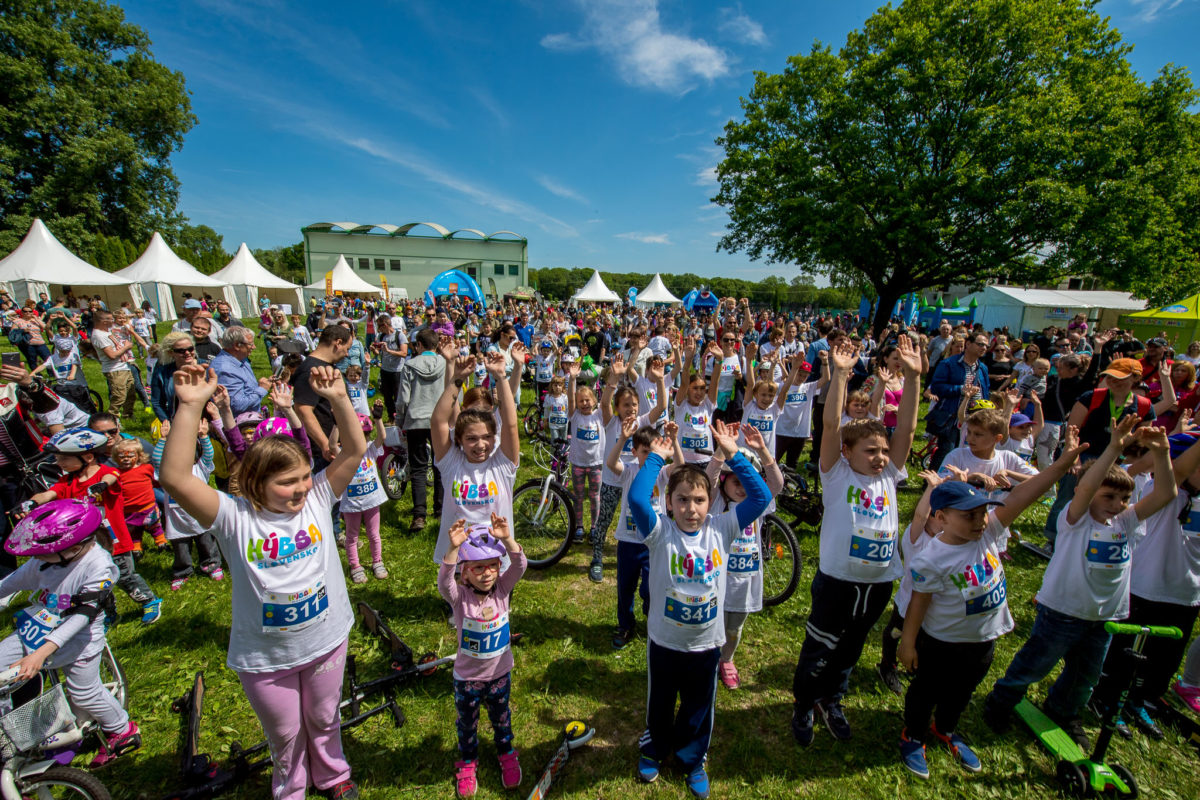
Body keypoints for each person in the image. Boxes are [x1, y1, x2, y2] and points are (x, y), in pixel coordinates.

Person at [158, 362, 366, 800]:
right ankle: (290, 788)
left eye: (305, 477)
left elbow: (353, 452)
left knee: (325, 717)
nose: (301, 489)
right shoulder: (234, 520)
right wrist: (190, 406)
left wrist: (341, 399)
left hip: (326, 640)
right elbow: (175, 478)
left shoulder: (318, 500)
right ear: (255, 483)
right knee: (286, 733)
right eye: (287, 482)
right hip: (266, 658)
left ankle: (332, 776)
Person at [896, 429, 1089, 778]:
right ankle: (914, 734)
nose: (980, 520)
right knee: (926, 690)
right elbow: (919, 603)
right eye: (968, 516)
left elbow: (1027, 494)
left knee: (962, 690)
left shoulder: (989, 533)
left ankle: (946, 728)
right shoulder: (931, 558)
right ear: (940, 518)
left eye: (983, 512)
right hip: (941, 642)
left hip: (983, 639)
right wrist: (908, 642)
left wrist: (1061, 465)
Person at [982, 417, 1176, 752]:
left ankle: (1064, 710)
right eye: (1110, 496)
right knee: (1035, 663)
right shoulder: (1075, 519)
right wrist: (1114, 446)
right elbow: (1086, 488)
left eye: (1124, 498)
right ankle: (1003, 700)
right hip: (1062, 611)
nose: (1117, 504)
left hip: (1105, 618)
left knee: (1085, 675)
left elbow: (1166, 493)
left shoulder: (1125, 521)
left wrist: (1163, 453)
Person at [791, 336, 922, 746]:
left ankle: (833, 699)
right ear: (847, 453)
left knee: (850, 648)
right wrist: (843, 374)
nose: (881, 457)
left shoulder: (889, 475)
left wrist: (914, 379)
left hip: (880, 583)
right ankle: (804, 703)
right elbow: (830, 426)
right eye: (871, 450)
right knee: (820, 646)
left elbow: (908, 428)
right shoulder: (836, 475)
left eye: (883, 450)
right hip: (838, 581)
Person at [628, 420, 769, 798]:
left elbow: (760, 497)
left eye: (699, 500)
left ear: (712, 502)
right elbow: (638, 500)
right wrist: (656, 459)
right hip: (665, 641)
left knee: (698, 706)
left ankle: (693, 758)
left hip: (707, 643)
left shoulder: (723, 528)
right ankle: (654, 747)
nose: (691, 509)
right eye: (683, 500)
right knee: (660, 703)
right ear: (669, 502)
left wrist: (733, 454)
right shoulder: (659, 533)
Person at [0, 499, 143, 766]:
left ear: (74, 548)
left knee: (84, 692)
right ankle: (12, 739)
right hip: (39, 626)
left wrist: (40, 654)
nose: (35, 558)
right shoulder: (45, 561)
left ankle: (122, 730)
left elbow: (83, 616)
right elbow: (9, 584)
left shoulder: (98, 566)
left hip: (80, 637)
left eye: (41, 552)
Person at [438, 516, 526, 798]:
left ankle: (506, 751)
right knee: (467, 723)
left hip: (500, 675)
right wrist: (453, 549)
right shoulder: (460, 597)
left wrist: (507, 539)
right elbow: (443, 583)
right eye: (478, 568)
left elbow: (521, 565)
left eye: (492, 566)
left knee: (502, 718)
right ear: (464, 574)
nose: (487, 573)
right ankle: (467, 760)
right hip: (468, 679)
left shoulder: (502, 589)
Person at [706, 425, 783, 689]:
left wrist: (762, 451)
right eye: (736, 482)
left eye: (745, 483)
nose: (742, 489)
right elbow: (708, 479)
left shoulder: (756, 506)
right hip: (716, 581)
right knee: (711, 624)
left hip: (744, 581)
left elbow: (776, 484)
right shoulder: (714, 502)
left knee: (733, 629)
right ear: (725, 482)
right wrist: (720, 452)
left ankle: (727, 659)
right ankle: (707, 659)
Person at [429, 347, 519, 565]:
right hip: (458, 561)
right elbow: (438, 422)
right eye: (471, 439)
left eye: (487, 437)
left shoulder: (502, 464)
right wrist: (457, 379)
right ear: (458, 439)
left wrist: (500, 376)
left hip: (496, 560)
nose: (480, 445)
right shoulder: (451, 463)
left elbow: (510, 424)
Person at [396, 328, 446, 532]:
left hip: (416, 419)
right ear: (436, 345)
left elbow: (404, 397)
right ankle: (441, 509)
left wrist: (400, 418)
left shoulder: (410, 365)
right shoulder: (444, 362)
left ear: (419, 345)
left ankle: (419, 514)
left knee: (418, 468)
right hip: (439, 419)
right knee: (440, 465)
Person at [291, 325, 354, 468]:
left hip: (337, 444)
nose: (347, 354)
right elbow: (303, 411)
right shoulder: (310, 370)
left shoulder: (326, 365)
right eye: (347, 348)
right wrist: (325, 444)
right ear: (337, 343)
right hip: (325, 453)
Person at [926, 333, 990, 471]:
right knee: (947, 450)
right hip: (952, 416)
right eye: (980, 344)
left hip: (974, 418)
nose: (984, 348)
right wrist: (961, 389)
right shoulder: (948, 364)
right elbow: (937, 387)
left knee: (968, 452)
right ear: (968, 344)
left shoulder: (982, 368)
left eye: (986, 345)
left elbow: (986, 391)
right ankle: (932, 482)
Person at [341, 407, 389, 584]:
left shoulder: (370, 449)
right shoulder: (344, 452)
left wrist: (378, 419)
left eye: (365, 436)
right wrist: (337, 424)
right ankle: (355, 566)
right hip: (351, 503)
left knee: (374, 534)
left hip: (371, 500)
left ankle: (377, 561)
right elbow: (330, 446)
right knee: (351, 535)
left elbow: (381, 438)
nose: (362, 440)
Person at [211, 327, 271, 416]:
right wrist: (262, 389)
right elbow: (238, 406)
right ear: (236, 345)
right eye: (250, 344)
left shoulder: (241, 359)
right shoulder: (225, 369)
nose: (254, 347)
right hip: (238, 425)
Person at [90, 309, 137, 418]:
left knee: (131, 393)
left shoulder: (106, 331)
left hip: (123, 366)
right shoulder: (99, 335)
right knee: (119, 397)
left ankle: (128, 415)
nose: (113, 321)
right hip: (115, 370)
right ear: (104, 321)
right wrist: (126, 347)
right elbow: (111, 355)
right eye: (111, 319)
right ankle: (111, 418)